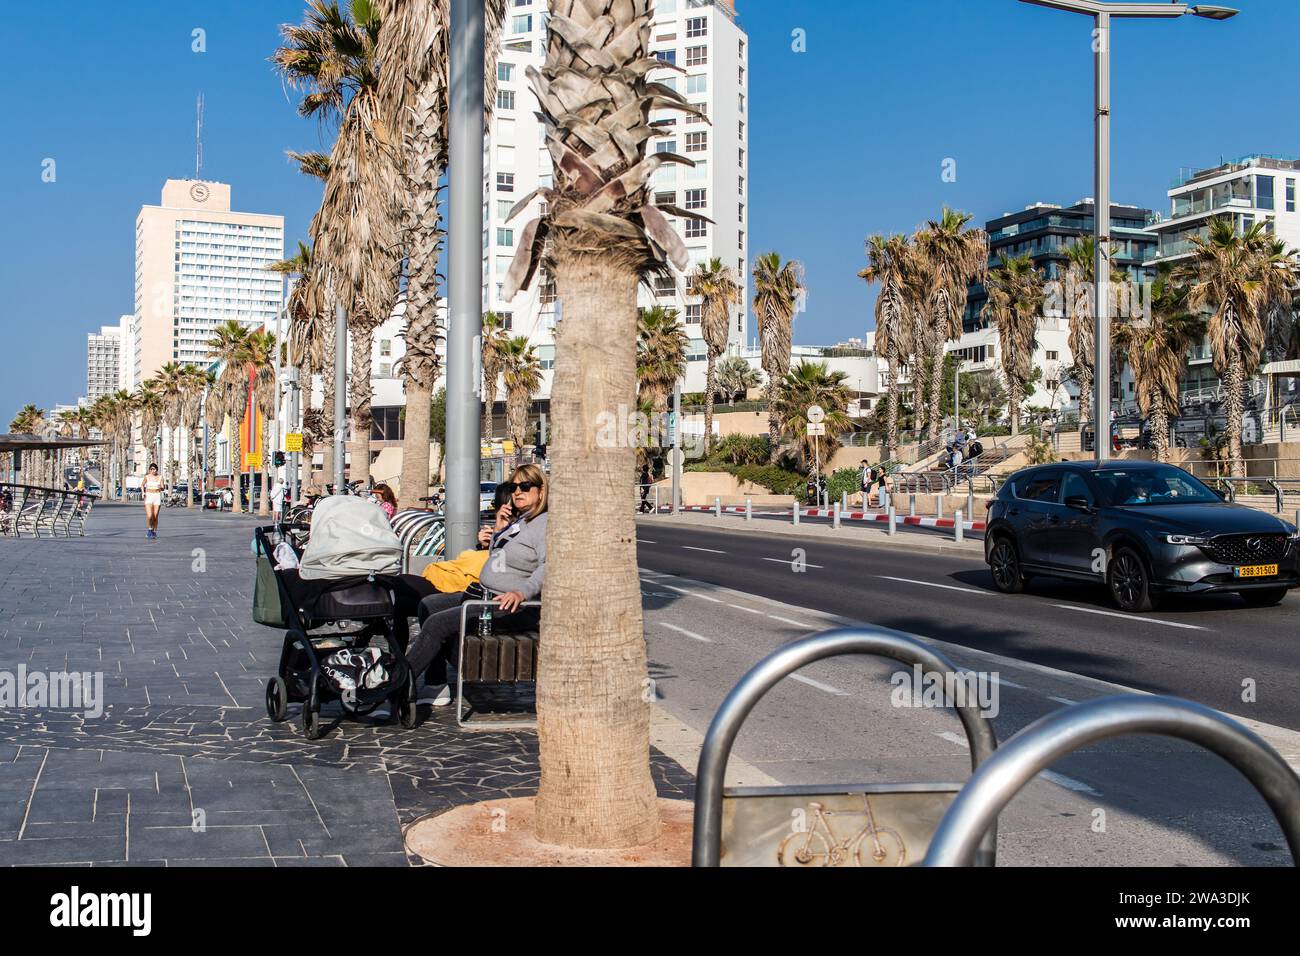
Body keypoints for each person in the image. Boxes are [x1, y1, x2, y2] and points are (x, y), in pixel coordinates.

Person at [404, 463, 548, 704]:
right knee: (428, 605)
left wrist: (522, 593)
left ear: (541, 491)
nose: (517, 492)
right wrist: (499, 532)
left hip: (510, 606)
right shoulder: (520, 522)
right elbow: (498, 560)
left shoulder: (543, 524)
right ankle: (436, 685)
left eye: (525, 486)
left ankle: (398, 685)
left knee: (437, 624)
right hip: (483, 595)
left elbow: (548, 565)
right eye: (514, 487)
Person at [141, 464, 165, 539]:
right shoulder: (147, 477)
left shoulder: (160, 477)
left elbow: (163, 487)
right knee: (149, 516)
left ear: (156, 470)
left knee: (155, 516)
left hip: (157, 496)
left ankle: (154, 531)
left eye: (154, 469)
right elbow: (142, 485)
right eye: (151, 469)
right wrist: (143, 493)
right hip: (149, 496)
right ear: (149, 470)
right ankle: (149, 530)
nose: (152, 471)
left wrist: (160, 488)